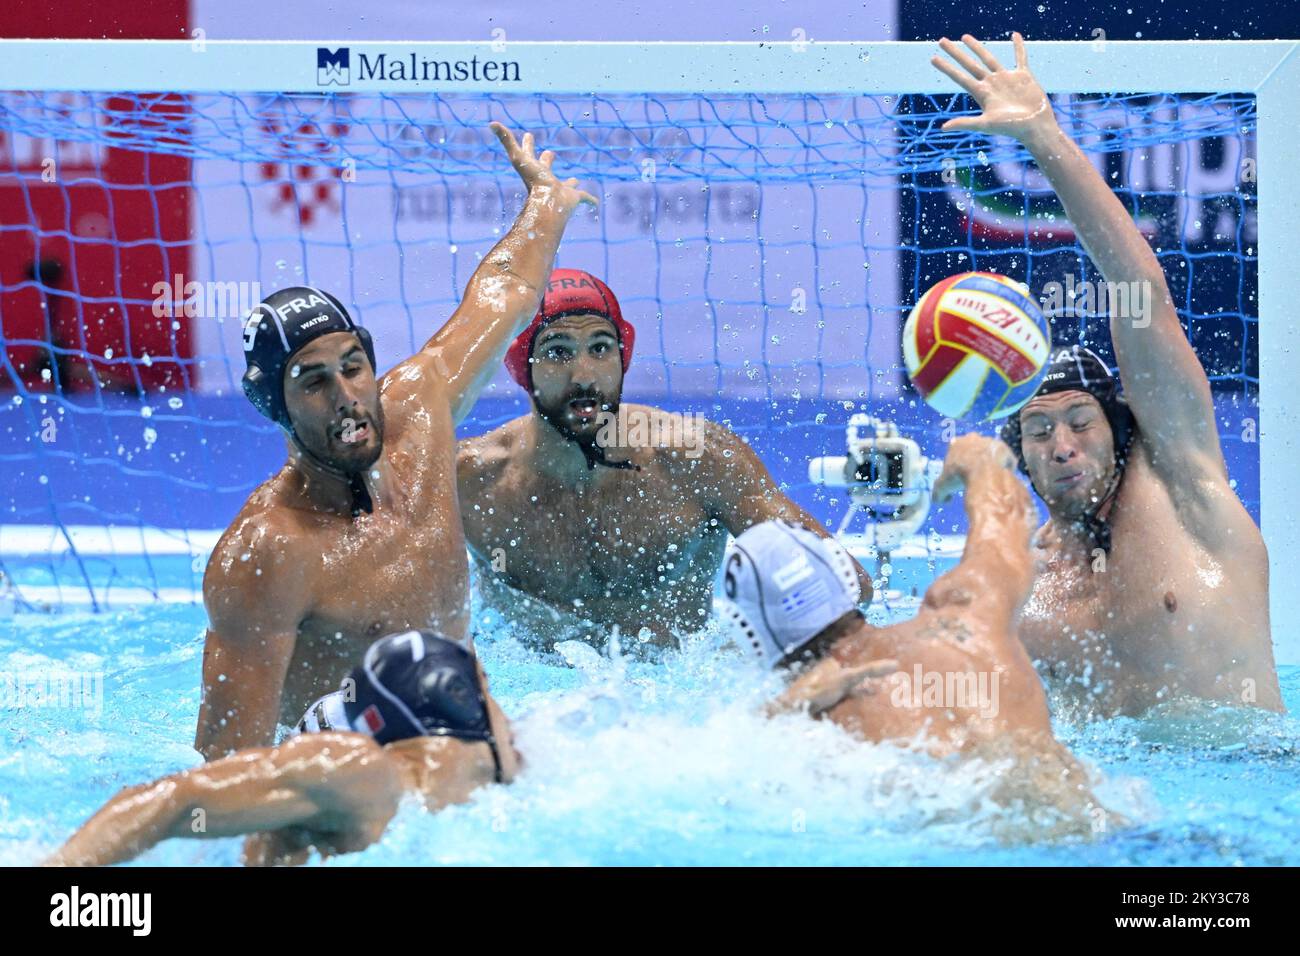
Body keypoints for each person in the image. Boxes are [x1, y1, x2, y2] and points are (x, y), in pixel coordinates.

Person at [196, 124, 597, 759]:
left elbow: (505, 297)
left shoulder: (419, 411)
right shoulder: (269, 553)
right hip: (354, 792)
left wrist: (544, 202)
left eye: (353, 366)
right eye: (313, 381)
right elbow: (225, 767)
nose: (346, 396)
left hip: (464, 756)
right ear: (276, 404)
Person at [932, 33, 1282, 715]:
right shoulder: (1025, 580)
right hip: (1118, 813)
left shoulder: (1183, 482)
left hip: (1248, 786)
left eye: (1080, 421)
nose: (1061, 445)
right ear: (1021, 457)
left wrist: (1043, 140)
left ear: (1119, 428)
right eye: (1037, 431)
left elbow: (1137, 284)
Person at [456, 268, 873, 649]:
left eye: (600, 348)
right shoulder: (470, 481)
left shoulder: (698, 458)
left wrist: (743, 657)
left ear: (624, 355)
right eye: (558, 352)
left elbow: (847, 582)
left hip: (685, 704)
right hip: (537, 706)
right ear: (520, 365)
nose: (583, 374)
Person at [724, 436, 1099, 826]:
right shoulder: (970, 617)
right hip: (1108, 834)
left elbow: (714, 780)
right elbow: (1008, 519)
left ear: (755, 638)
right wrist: (977, 463)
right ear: (843, 571)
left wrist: (778, 712)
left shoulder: (811, 734)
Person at [48, 631, 518, 867]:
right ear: (456, 697)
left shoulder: (524, 781)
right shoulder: (369, 774)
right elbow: (177, 800)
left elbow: (177, 800)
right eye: (488, 686)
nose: (507, 713)